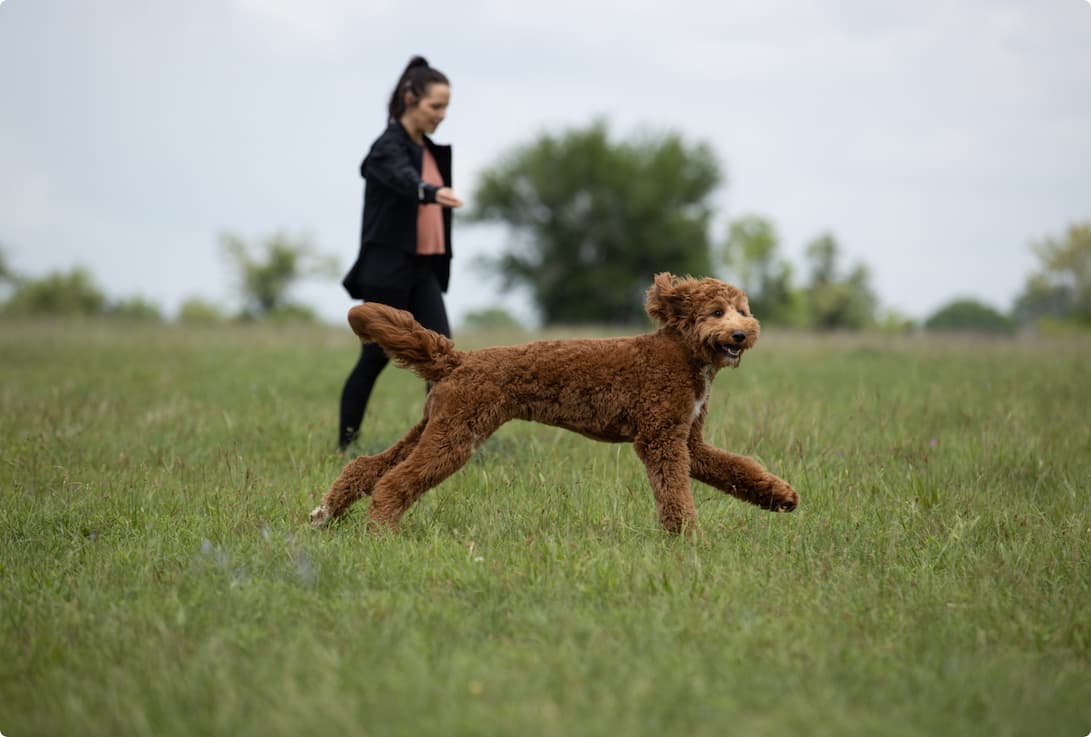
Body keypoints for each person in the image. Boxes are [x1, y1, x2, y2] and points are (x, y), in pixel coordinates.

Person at [338, 56, 464, 451]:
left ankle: (436, 444)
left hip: (423, 268)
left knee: (442, 357)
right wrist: (430, 192)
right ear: (411, 100)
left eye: (446, 107)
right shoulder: (387, 147)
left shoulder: (427, 149)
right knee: (374, 357)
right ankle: (346, 446)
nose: (442, 115)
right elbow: (401, 178)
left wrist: (432, 192)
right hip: (389, 269)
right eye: (435, 106)